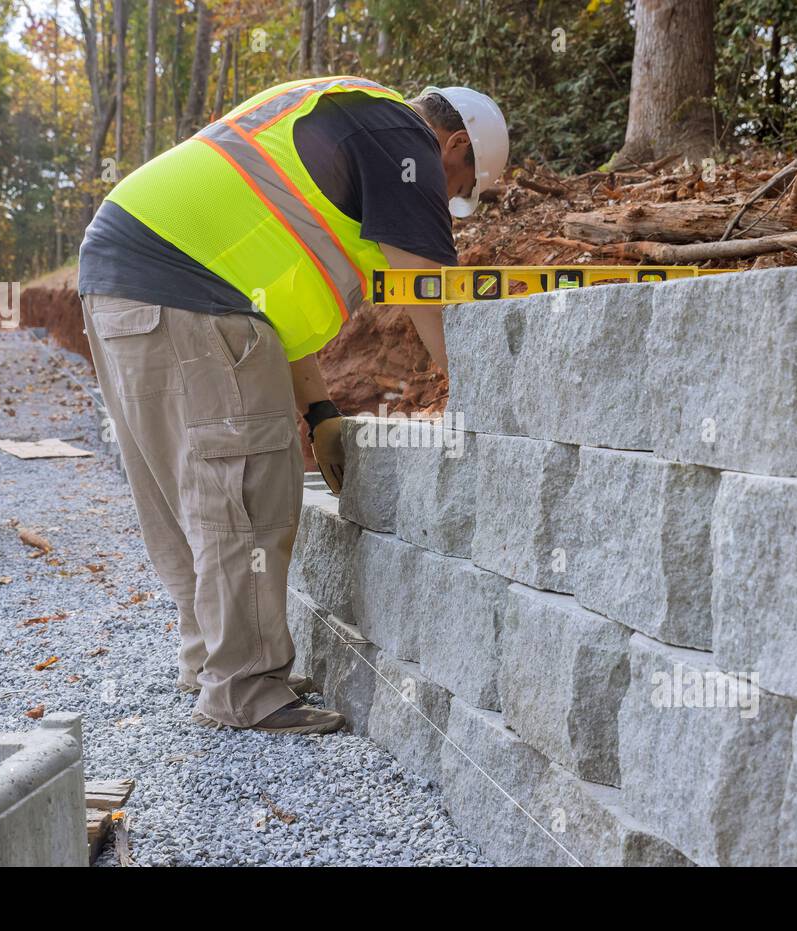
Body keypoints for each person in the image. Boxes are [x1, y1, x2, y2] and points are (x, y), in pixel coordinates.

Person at [77, 76, 508, 734]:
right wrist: (491, 407)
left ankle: (216, 666)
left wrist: (321, 414)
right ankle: (244, 690)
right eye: (461, 187)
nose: (448, 202)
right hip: (185, 293)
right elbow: (436, 299)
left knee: (196, 490)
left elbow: (271, 311)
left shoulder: (343, 120)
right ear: (453, 145)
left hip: (127, 283)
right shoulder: (403, 142)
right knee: (245, 489)